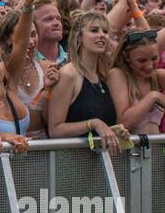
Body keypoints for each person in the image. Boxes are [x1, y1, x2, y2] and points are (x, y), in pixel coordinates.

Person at [46, 11, 123, 153]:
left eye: (105, 32)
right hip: (71, 164)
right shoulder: (68, 74)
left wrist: (115, 131)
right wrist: (93, 124)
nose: (102, 35)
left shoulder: (102, 75)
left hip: (99, 163)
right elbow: (55, 130)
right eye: (94, 30)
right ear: (79, 36)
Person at [108, 27, 165, 134]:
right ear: (126, 57)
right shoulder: (117, 75)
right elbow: (124, 122)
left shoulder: (155, 77)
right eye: (141, 61)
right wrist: (153, 96)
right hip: (130, 149)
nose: (149, 66)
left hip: (153, 148)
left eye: (154, 58)